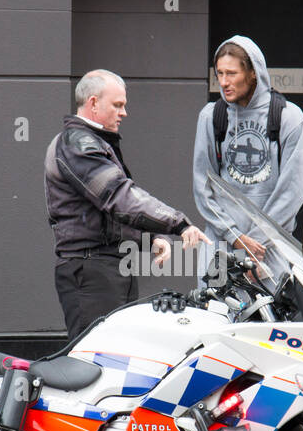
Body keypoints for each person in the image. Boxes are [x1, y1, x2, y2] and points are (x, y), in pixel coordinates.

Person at [45, 69, 208, 339]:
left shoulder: (92, 142)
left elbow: (108, 211)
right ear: (94, 103)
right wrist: (176, 223)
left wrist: (150, 238)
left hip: (103, 269)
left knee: (113, 358)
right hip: (92, 272)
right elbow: (119, 197)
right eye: (118, 105)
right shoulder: (78, 144)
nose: (124, 113)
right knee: (96, 359)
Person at [192, 36, 303, 262]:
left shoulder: (289, 117)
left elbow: (292, 192)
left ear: (253, 72)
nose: (223, 82)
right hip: (221, 248)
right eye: (220, 73)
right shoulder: (210, 116)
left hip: (270, 252)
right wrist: (234, 236)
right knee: (212, 300)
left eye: (232, 73)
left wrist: (255, 247)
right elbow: (203, 186)